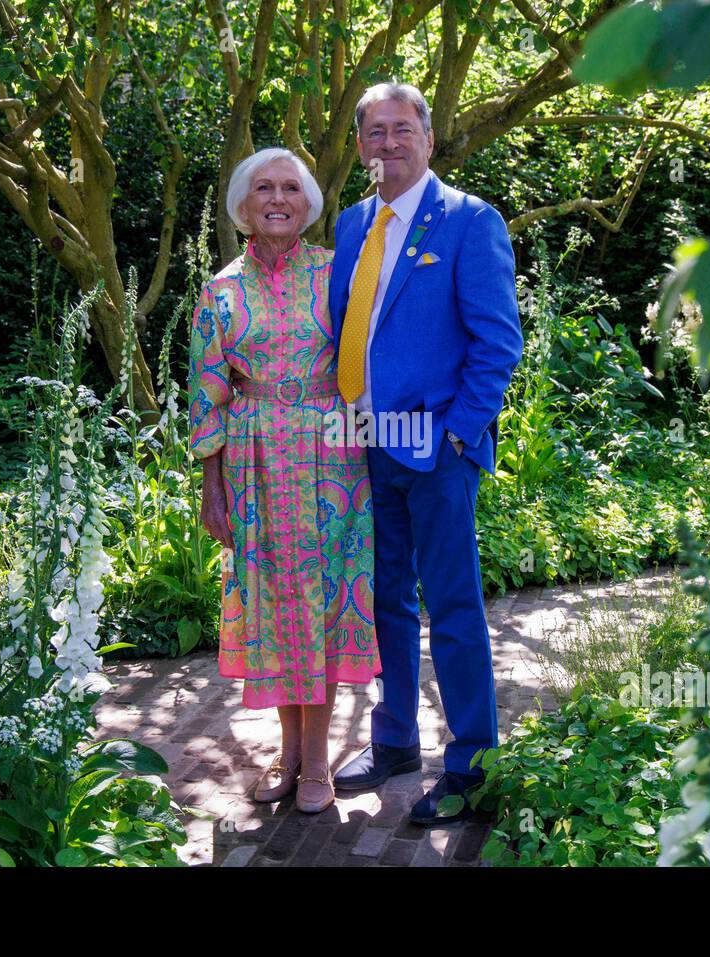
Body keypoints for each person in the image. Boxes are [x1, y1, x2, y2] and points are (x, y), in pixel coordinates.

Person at [329, 82, 523, 824]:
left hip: (438, 449)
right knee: (385, 603)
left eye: (401, 129)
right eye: (374, 132)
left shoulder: (471, 222)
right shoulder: (351, 226)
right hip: (369, 446)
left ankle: (472, 762)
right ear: (359, 146)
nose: (388, 143)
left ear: (429, 139)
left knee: (452, 605)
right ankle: (395, 740)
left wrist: (456, 435)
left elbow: (497, 341)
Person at [188, 147, 379, 815]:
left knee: (323, 604)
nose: (278, 198)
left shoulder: (337, 274)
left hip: (333, 461)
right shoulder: (219, 292)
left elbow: (369, 355)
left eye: (290, 189)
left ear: (307, 204)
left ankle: (319, 758)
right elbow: (206, 396)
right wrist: (212, 490)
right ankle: (287, 751)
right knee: (274, 606)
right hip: (256, 465)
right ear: (244, 205)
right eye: (264, 188)